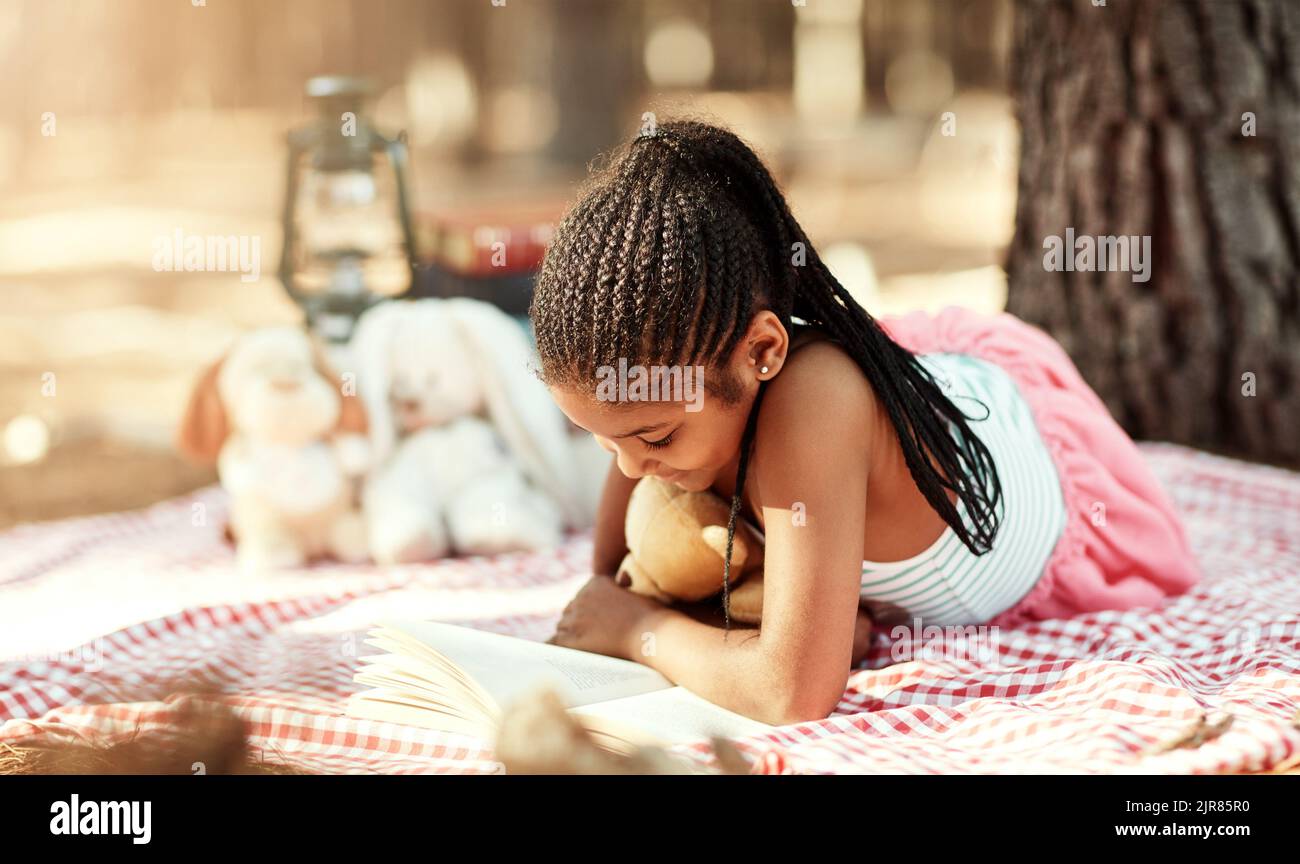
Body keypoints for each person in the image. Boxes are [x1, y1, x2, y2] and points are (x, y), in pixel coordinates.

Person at [530, 119, 1200, 726]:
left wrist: (641, 631)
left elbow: (792, 691)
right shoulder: (657, 404)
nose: (629, 467)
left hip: (1016, 442)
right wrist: (625, 600)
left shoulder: (813, 406)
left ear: (762, 353)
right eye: (601, 440)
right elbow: (611, 587)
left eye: (654, 439)